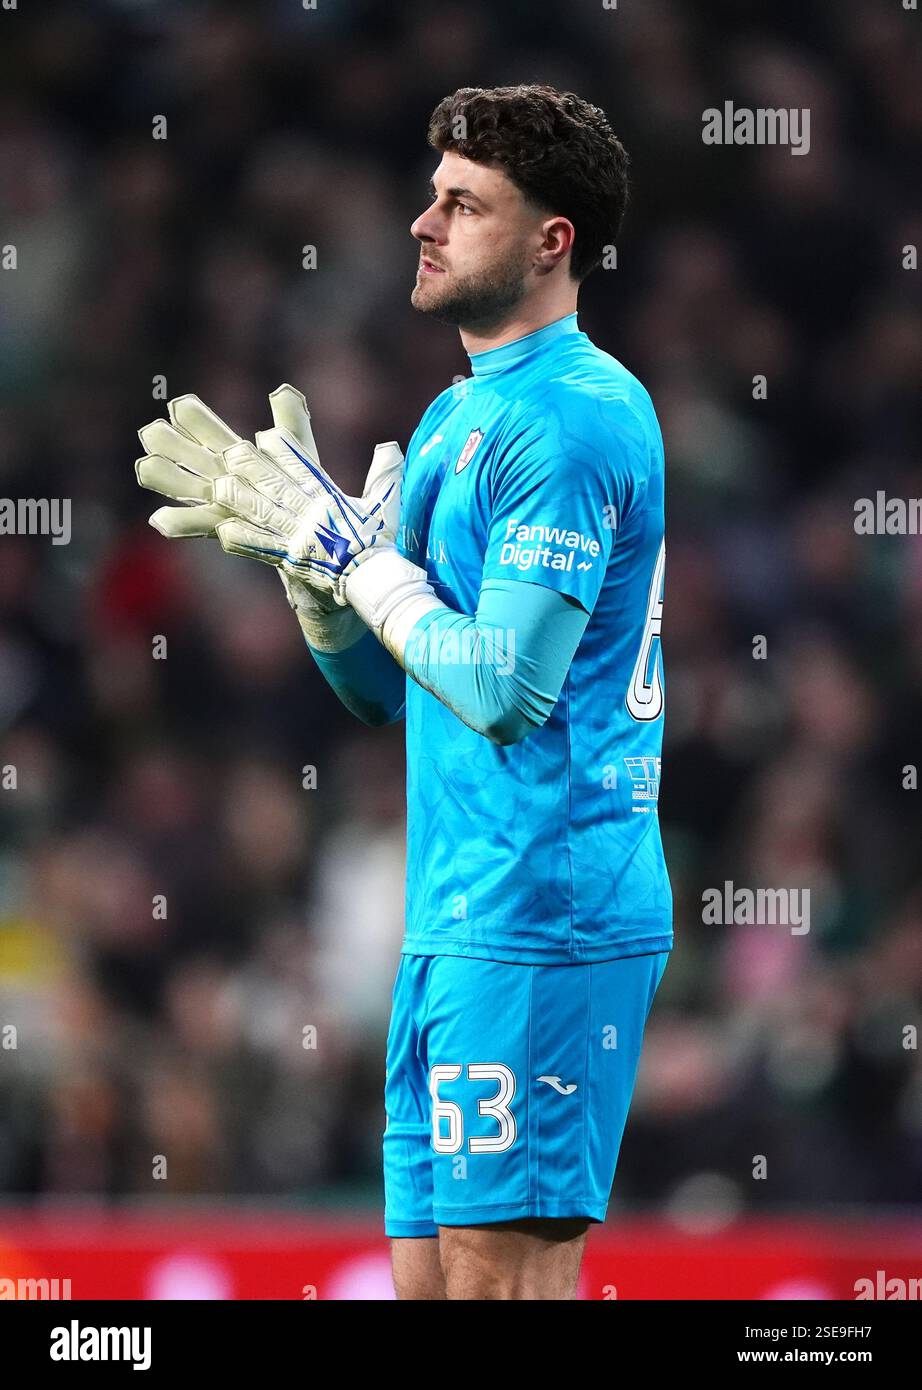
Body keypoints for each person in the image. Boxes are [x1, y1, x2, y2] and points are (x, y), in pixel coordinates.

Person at [137, 83, 672, 1300]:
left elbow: (505, 688)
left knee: (503, 1290)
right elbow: (387, 690)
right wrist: (318, 589)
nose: (423, 224)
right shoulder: (450, 417)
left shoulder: (578, 418)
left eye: (463, 204)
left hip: (547, 911)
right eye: (431, 195)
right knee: (433, 1289)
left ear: (552, 243)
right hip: (454, 913)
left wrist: (362, 563)